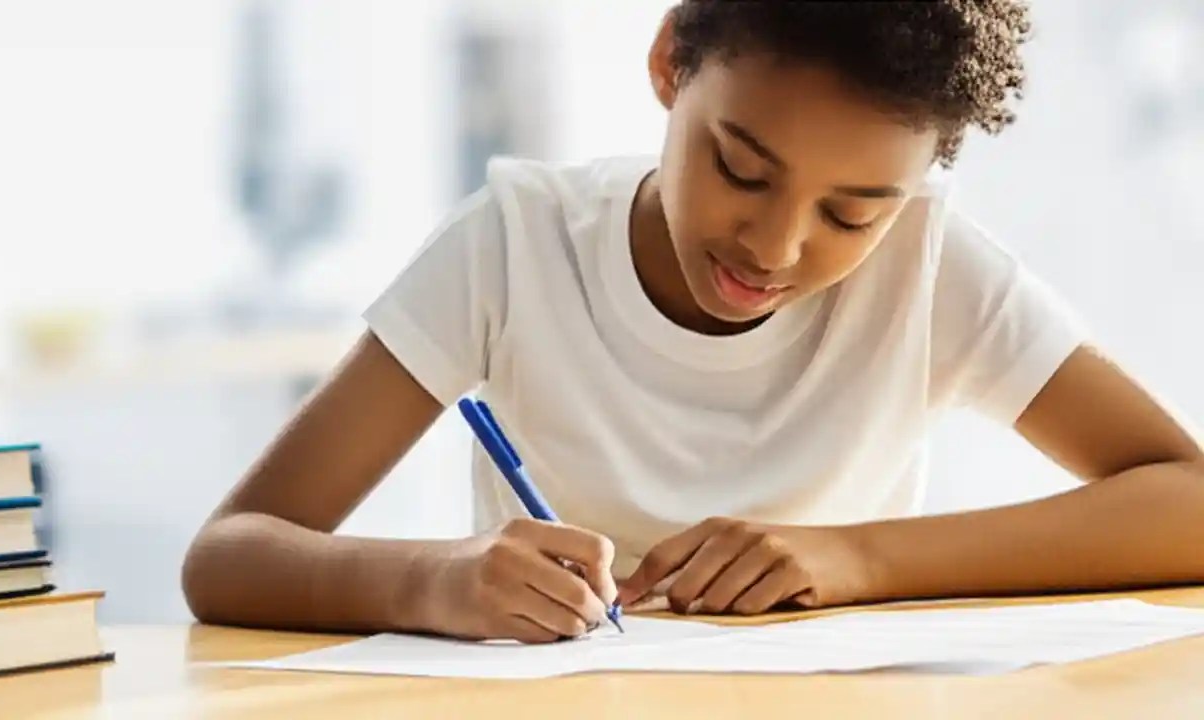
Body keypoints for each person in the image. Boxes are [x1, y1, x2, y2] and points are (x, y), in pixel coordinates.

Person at [181, 1, 1204, 643]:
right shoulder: (514, 243)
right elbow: (229, 552)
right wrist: (433, 582)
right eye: (739, 169)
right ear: (670, 62)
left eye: (853, 210)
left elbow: (1186, 501)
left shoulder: (928, 268)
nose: (775, 245)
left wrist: (858, 557)